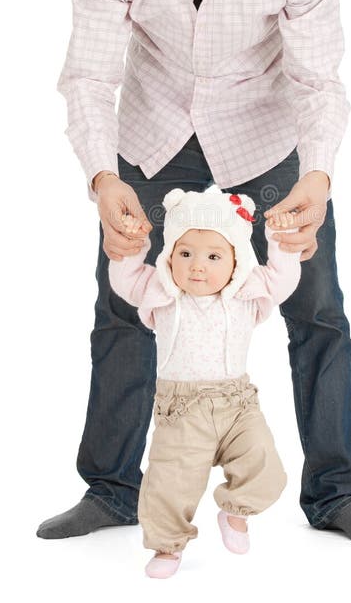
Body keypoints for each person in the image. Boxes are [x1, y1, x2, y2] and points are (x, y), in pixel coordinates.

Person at [38, 0, 351, 548]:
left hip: (263, 135)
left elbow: (319, 82)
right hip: (151, 133)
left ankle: (335, 495)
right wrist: (102, 178)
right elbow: (87, 77)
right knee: (124, 305)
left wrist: (318, 176)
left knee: (317, 310)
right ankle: (112, 489)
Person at [108, 183, 301, 578]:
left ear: (235, 260)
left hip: (237, 406)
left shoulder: (247, 292)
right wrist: (132, 242)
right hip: (182, 409)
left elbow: (282, 279)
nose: (197, 266)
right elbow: (125, 279)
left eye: (213, 256)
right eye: (185, 253)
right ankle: (167, 546)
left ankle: (235, 510)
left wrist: (281, 243)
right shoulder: (162, 291)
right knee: (168, 485)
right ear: (170, 257)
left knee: (265, 465)